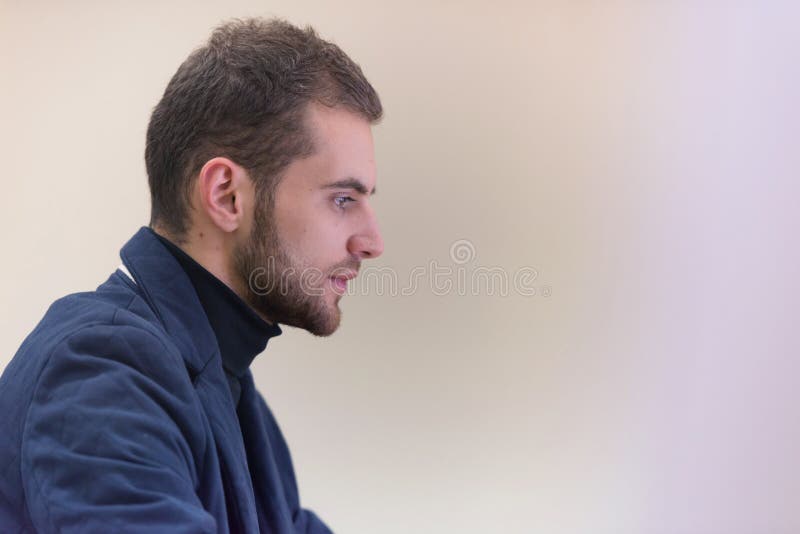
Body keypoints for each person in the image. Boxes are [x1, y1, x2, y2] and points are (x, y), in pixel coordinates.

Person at [0, 17, 384, 533]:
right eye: (342, 199)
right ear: (227, 194)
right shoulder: (102, 373)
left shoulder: (231, 392)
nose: (371, 242)